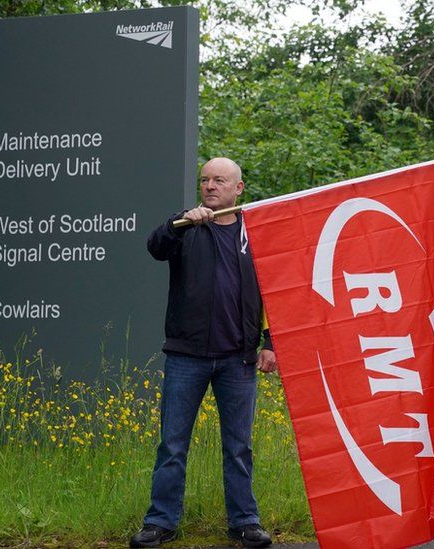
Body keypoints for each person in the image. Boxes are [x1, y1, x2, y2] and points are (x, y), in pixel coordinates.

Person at [130, 157, 276, 548]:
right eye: (205, 180)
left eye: (220, 180)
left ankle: (245, 522)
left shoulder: (256, 233)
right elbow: (154, 247)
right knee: (173, 444)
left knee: (239, 446)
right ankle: (160, 522)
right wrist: (179, 223)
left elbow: (273, 294)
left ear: (238, 188)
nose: (210, 186)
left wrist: (270, 343)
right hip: (186, 356)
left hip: (238, 360)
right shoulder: (185, 227)